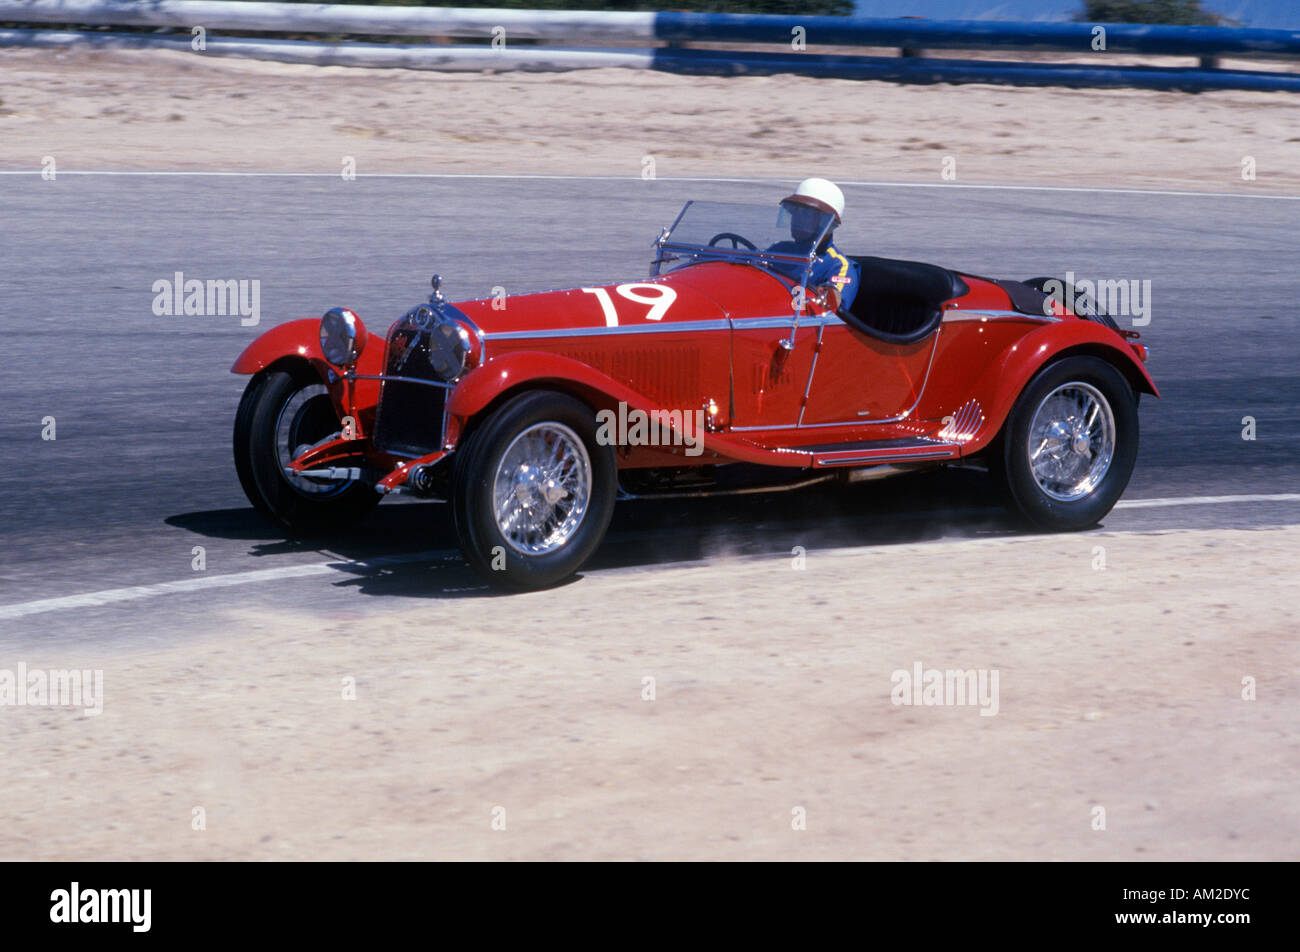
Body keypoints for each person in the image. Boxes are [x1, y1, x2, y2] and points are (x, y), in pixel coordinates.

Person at [767, 178, 860, 313]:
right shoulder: (777, 250)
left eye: (806, 214)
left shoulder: (838, 266)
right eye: (795, 212)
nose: (796, 220)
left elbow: (832, 314)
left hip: (804, 330)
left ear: (826, 223)